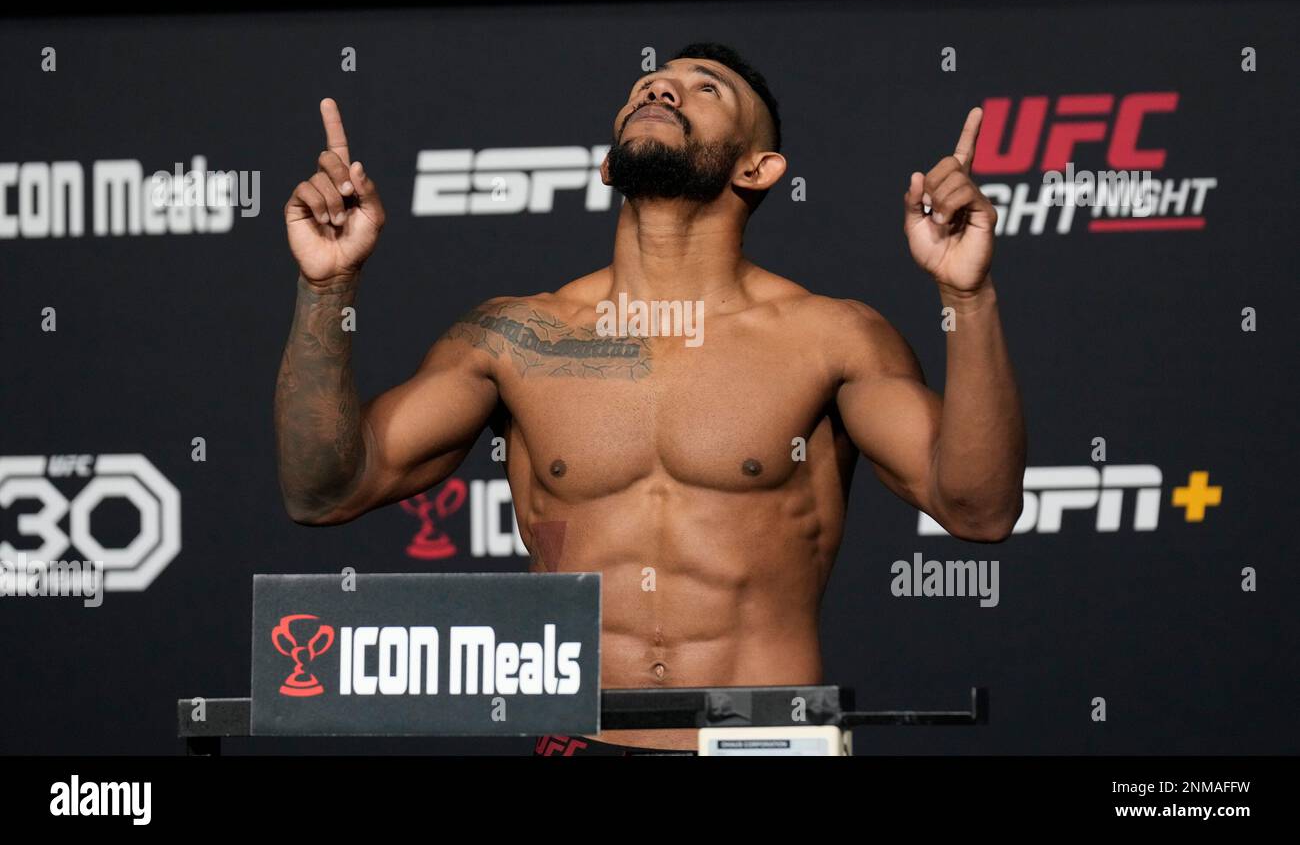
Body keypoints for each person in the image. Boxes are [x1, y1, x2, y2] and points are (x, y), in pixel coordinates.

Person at [275, 42, 1027, 752]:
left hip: (764, 745)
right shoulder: (514, 339)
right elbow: (325, 490)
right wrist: (326, 284)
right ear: (608, 165)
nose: (660, 87)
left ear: (760, 168)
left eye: (706, 89)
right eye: (647, 87)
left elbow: (978, 507)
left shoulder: (831, 339)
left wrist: (968, 295)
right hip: (577, 744)